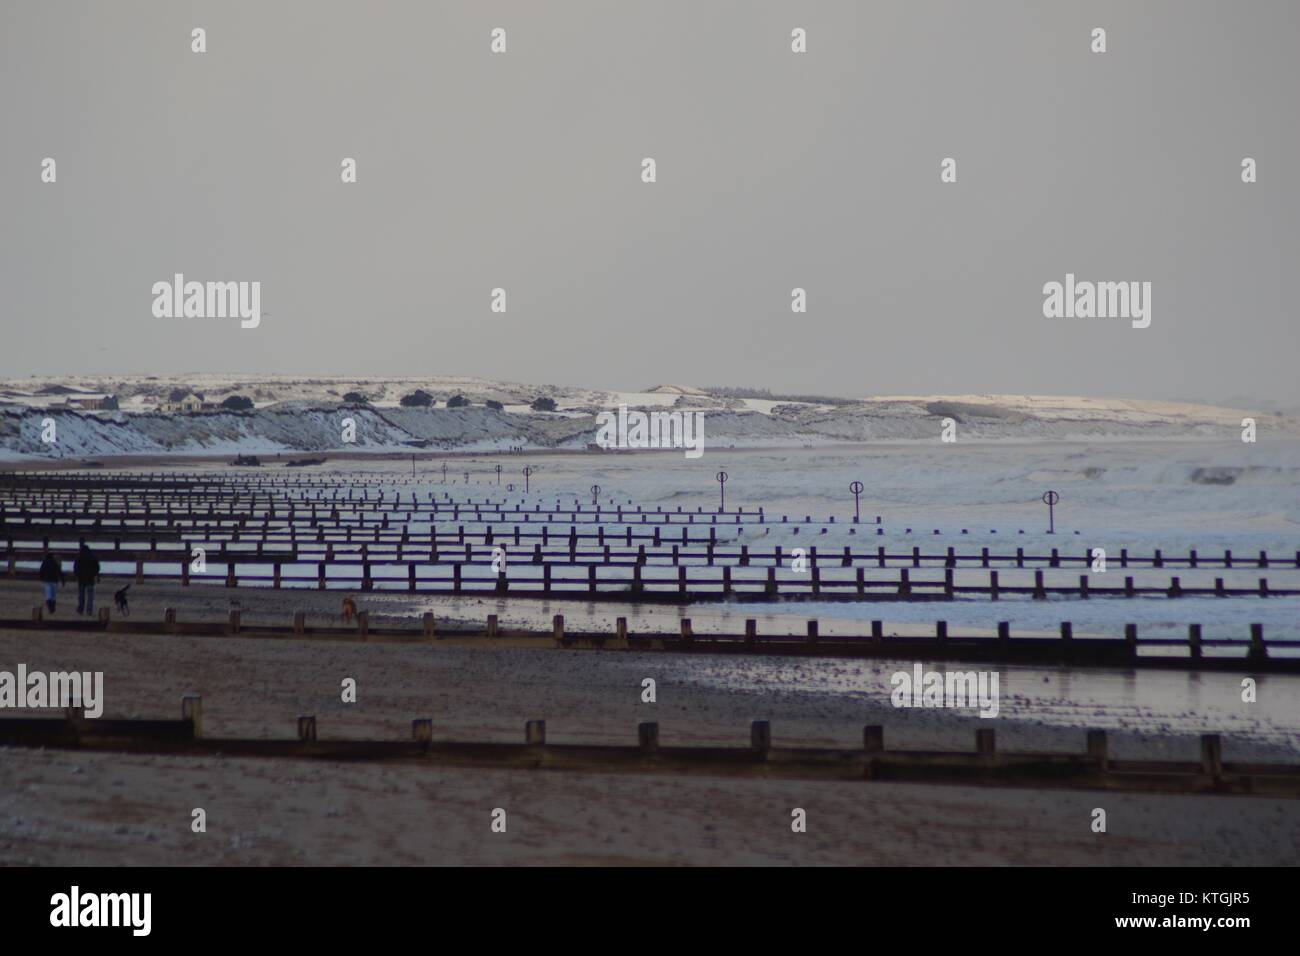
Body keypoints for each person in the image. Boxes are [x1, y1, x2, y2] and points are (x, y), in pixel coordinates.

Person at [72, 541, 101, 616]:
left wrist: (77, 575)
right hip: (90, 578)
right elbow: (97, 568)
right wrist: (95, 575)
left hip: (81, 578)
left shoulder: (79, 557)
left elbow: (75, 568)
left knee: (81, 595)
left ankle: (81, 609)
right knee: (90, 595)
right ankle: (89, 610)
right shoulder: (93, 557)